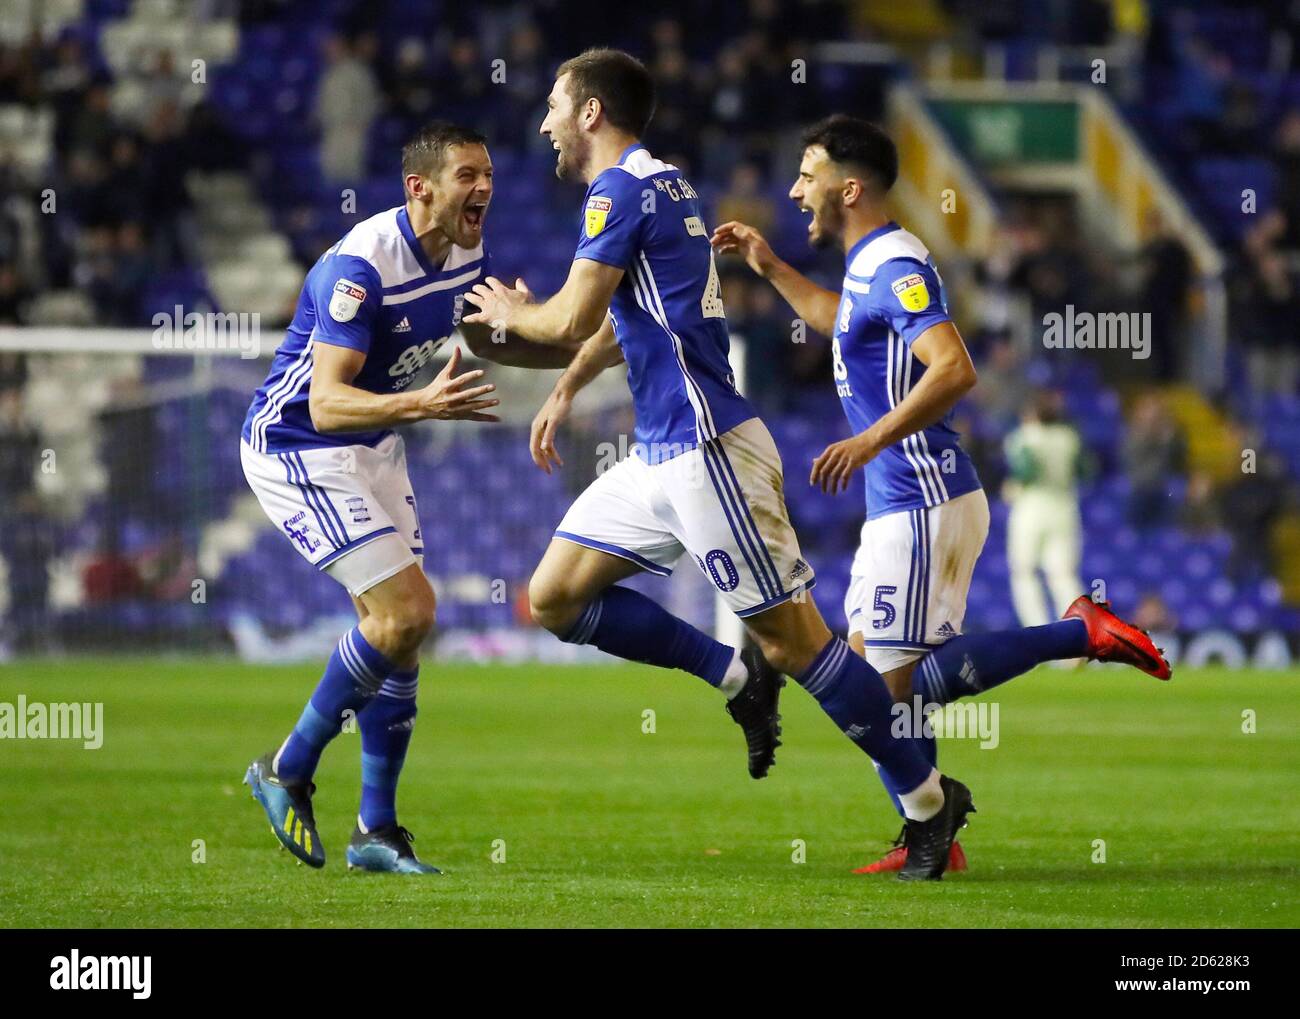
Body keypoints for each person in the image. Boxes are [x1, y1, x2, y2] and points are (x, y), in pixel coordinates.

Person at [464, 49, 971, 880]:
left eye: (556, 104)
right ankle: (735, 678)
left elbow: (569, 316)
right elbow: (619, 322)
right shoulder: (662, 185)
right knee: (552, 596)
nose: (546, 121)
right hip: (659, 454)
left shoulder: (622, 190)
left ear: (592, 112)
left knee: (802, 644)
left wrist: (513, 315)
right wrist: (564, 388)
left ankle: (925, 804)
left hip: (708, 451)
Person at [710, 114, 1171, 874]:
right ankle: (932, 832)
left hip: (923, 499)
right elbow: (841, 319)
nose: (794, 190)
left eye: (807, 173)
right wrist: (767, 264)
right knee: (866, 678)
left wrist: (868, 440)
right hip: (901, 503)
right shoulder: (869, 263)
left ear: (848, 187)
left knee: (876, 698)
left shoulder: (895, 265)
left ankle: (1074, 639)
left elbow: (955, 368)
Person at [239, 121, 575, 875]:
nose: (484, 186)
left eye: (487, 173)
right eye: (467, 174)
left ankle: (376, 831)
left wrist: (563, 339)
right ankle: (287, 767)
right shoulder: (361, 268)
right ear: (419, 187)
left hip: (376, 443)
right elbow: (325, 403)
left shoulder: (465, 252)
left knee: (400, 634)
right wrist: (422, 404)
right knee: (408, 613)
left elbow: (485, 337)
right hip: (301, 447)